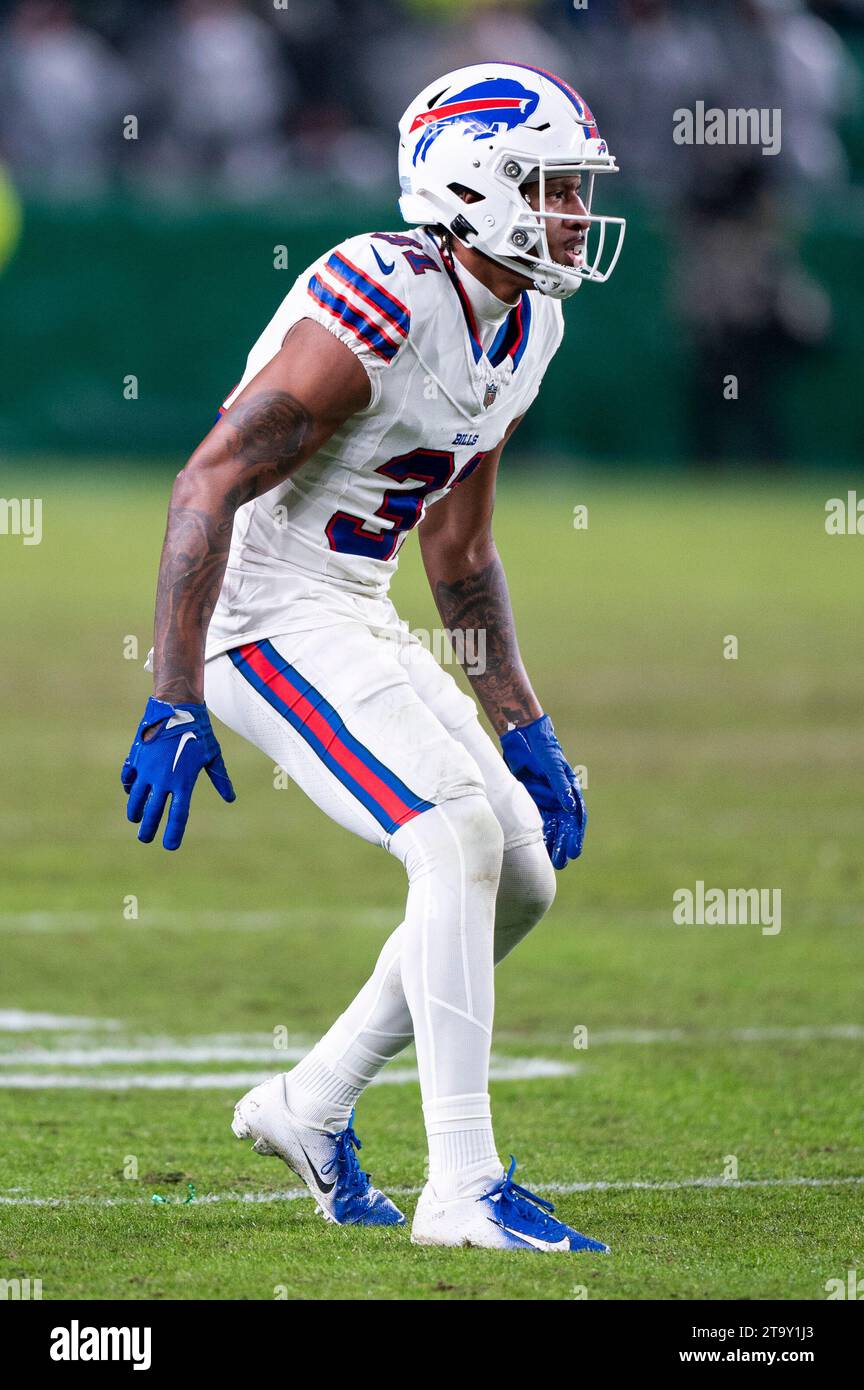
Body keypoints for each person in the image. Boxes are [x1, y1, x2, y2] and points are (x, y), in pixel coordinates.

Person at [121, 63, 625, 1252]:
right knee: (449, 836)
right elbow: (208, 479)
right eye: (548, 186)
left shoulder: (528, 319)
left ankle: (311, 1104)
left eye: (572, 189)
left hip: (355, 602)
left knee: (521, 876)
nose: (570, 212)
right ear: (471, 184)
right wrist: (173, 695)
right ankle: (463, 1184)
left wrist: (526, 722)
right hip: (260, 616)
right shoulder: (382, 299)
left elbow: (457, 544)